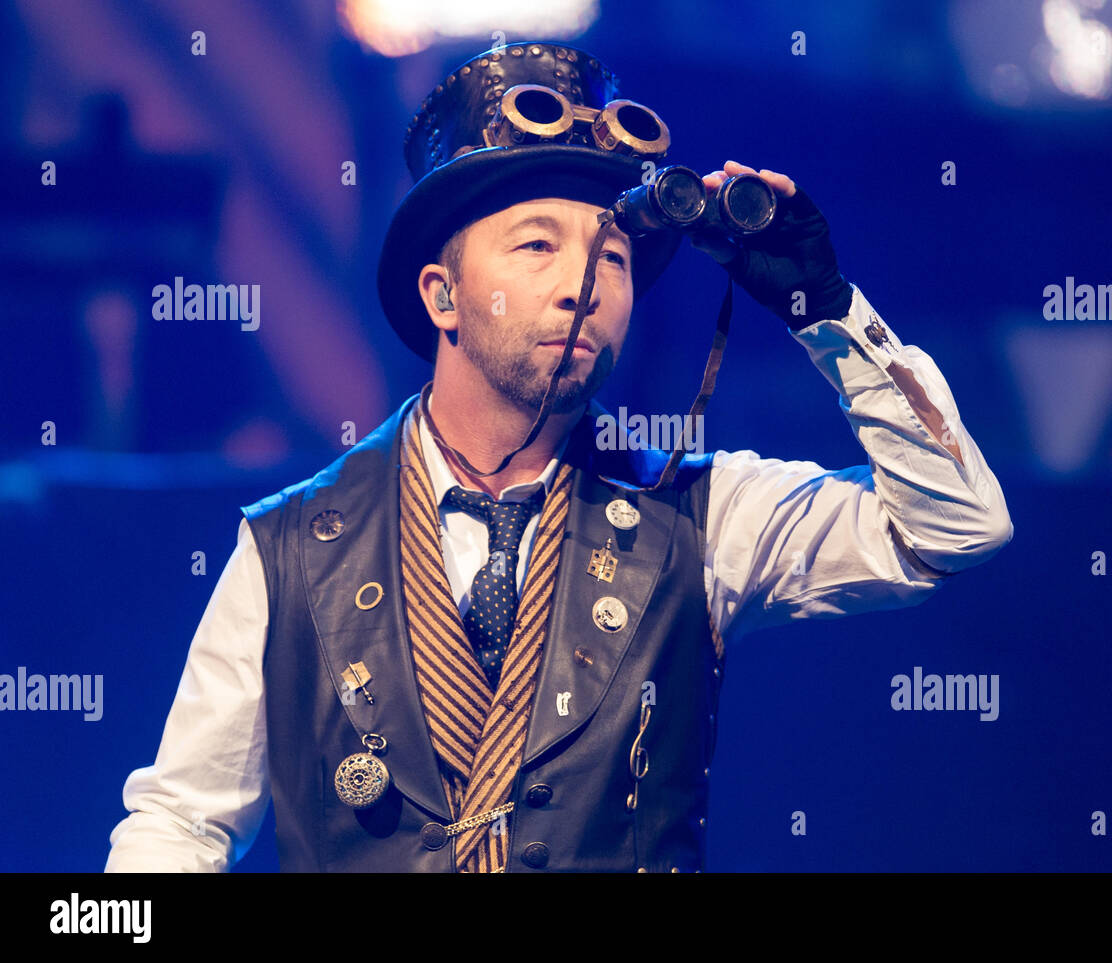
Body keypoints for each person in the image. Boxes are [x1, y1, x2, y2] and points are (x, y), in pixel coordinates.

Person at [105, 40, 1012, 873]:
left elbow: (958, 522)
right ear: (442, 294)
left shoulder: (700, 513)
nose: (583, 285)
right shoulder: (292, 547)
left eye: (612, 257)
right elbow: (181, 822)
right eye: (536, 245)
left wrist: (829, 313)